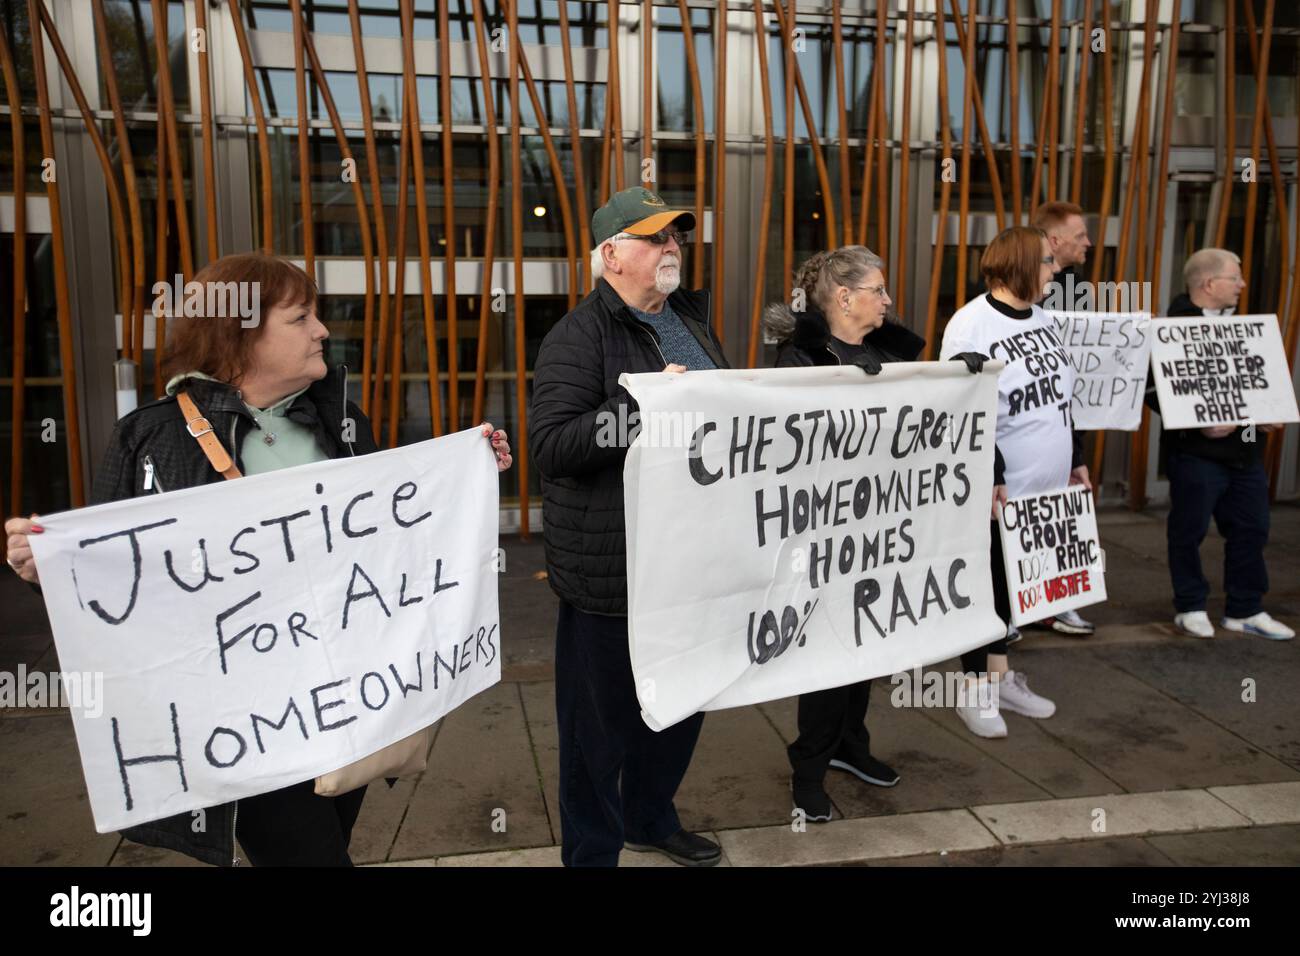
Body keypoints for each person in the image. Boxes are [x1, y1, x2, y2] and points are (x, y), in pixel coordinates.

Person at [4, 252, 514, 865]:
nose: (322, 330)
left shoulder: (340, 421)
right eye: (301, 318)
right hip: (247, 721)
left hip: (351, 697)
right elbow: (113, 583)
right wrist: (46, 568)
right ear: (239, 334)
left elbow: (391, 542)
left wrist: (466, 476)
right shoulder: (150, 438)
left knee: (325, 842)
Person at [530, 186, 727, 867]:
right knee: (597, 735)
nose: (672, 247)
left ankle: (650, 816)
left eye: (677, 237)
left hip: (695, 566)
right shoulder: (577, 337)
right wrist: (641, 410)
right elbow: (552, 446)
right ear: (610, 254)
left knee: (680, 707)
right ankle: (593, 854)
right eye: (655, 238)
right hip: (615, 574)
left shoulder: (691, 323)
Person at [763, 246, 972, 822]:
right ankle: (809, 767)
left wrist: (962, 380)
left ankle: (850, 747)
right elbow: (791, 440)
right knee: (827, 655)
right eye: (877, 289)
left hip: (877, 527)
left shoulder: (887, 350)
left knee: (866, 643)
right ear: (845, 297)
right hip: (824, 531)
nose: (887, 299)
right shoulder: (799, 358)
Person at [939, 226, 1091, 738]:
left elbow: (1060, 394)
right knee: (987, 595)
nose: (1058, 269)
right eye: (1049, 261)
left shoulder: (1045, 319)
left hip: (1043, 491)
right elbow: (965, 410)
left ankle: (1000, 680)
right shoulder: (972, 326)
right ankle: (974, 692)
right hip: (998, 491)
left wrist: (1077, 456)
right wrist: (994, 475)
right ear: (1022, 264)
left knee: (1014, 594)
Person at [1145, 248, 1293, 640]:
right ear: (1209, 284)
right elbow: (1150, 390)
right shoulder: (1169, 328)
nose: (1243, 284)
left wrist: (1264, 412)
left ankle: (1245, 608)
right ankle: (1190, 605)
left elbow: (1251, 386)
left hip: (1244, 450)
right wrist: (1195, 421)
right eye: (1235, 277)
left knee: (1252, 528)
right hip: (1195, 453)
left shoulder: (1243, 327)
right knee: (1188, 530)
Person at [1028, 200, 1096, 637]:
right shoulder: (1028, 295)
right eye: (1080, 235)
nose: (1089, 242)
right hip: (1034, 425)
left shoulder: (1079, 288)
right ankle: (1030, 605)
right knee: (1032, 518)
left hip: (1068, 418)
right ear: (1053, 242)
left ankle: (1059, 598)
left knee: (1063, 515)